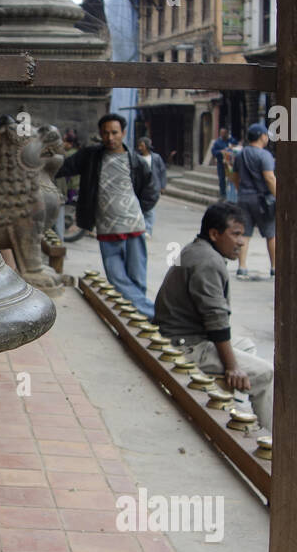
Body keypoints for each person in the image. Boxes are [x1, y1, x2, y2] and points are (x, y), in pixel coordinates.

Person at [154, 202, 274, 430]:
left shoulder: (196, 249)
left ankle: (232, 403)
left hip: (178, 335)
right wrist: (232, 367)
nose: (241, 241)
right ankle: (272, 443)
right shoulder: (207, 261)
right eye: (236, 234)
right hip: (184, 345)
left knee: (245, 345)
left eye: (243, 235)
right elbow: (216, 322)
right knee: (265, 374)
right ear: (214, 234)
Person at [57, 112, 160, 317]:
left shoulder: (136, 161)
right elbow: (63, 167)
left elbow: (151, 189)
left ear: (123, 133)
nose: (110, 138)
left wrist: (136, 208)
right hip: (107, 228)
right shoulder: (91, 156)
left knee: (137, 279)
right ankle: (154, 315)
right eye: (105, 133)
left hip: (134, 226)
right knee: (117, 279)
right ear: (100, 134)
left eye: (114, 132)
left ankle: (141, 320)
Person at [232, 123, 276, 279]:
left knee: (245, 233)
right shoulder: (265, 155)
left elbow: (235, 177)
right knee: (271, 233)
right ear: (262, 136)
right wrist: (278, 195)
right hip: (263, 200)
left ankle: (242, 267)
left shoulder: (240, 155)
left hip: (244, 197)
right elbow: (269, 178)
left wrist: (241, 191)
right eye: (266, 135)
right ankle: (274, 267)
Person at [135, 136, 168, 235]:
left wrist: (162, 186)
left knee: (150, 209)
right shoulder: (137, 157)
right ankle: (141, 228)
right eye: (139, 145)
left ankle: (148, 229)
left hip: (154, 187)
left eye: (142, 145)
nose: (139, 147)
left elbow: (162, 172)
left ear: (146, 146)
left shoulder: (156, 158)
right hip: (141, 187)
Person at [210, 127, 233, 200]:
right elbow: (213, 152)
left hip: (229, 164)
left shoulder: (230, 140)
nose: (223, 134)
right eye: (222, 133)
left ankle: (230, 193)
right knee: (222, 179)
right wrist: (221, 151)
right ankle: (222, 194)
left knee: (231, 178)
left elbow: (235, 145)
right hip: (221, 163)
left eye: (224, 133)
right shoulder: (217, 142)